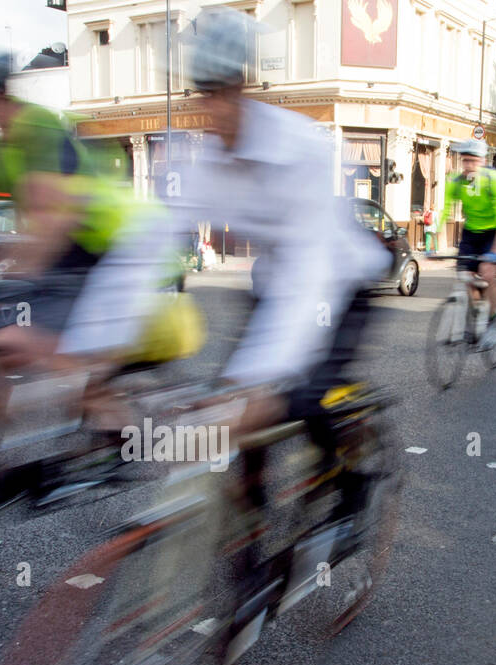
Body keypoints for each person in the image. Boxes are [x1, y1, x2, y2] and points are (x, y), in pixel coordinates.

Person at [60, 5, 392, 526]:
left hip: (337, 285)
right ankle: (254, 541)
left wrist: (257, 381)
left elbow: (310, 273)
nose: (210, 110)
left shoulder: (299, 146)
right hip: (274, 287)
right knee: (235, 420)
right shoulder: (207, 163)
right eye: (201, 93)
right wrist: (91, 350)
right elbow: (143, 249)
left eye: (220, 93)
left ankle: (351, 487)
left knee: (297, 396)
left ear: (242, 87)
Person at [434, 138, 496, 350]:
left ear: (483, 161)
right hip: (471, 231)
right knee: (465, 276)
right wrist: (436, 243)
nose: (468, 166)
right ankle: (479, 310)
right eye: (465, 161)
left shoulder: (495, 181)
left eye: (473, 161)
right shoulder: (457, 181)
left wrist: (495, 254)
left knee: (488, 273)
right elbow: (444, 210)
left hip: (494, 231)